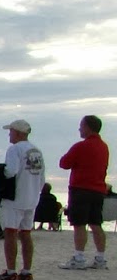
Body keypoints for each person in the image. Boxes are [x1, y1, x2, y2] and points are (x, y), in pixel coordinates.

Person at [0, 119, 46, 280]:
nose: (9, 134)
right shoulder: (36, 151)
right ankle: (26, 271)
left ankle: (10, 270)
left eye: (11, 131)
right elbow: (42, 178)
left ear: (18, 132)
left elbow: (11, 171)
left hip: (16, 197)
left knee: (10, 232)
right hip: (32, 197)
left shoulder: (15, 149)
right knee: (26, 233)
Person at [59, 115, 109, 270]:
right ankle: (100, 258)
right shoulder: (104, 146)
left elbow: (64, 163)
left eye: (81, 125)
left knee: (79, 224)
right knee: (96, 224)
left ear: (88, 127)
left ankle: (79, 257)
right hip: (98, 189)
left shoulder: (81, 146)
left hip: (81, 189)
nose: (79, 129)